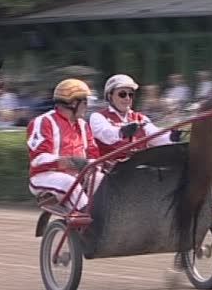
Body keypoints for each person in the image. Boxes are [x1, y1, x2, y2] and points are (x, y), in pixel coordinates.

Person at [26, 78, 104, 212]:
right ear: (73, 102)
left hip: (77, 176)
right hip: (45, 177)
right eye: (84, 101)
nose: (87, 106)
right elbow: (38, 159)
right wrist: (68, 162)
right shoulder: (44, 121)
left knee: (102, 179)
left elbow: (93, 154)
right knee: (69, 183)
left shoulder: (83, 125)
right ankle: (89, 220)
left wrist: (95, 165)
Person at [89, 74, 181, 161]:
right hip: (112, 170)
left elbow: (155, 136)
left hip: (139, 167)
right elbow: (106, 135)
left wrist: (171, 136)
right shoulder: (98, 116)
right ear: (110, 96)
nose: (127, 98)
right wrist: (122, 132)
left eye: (131, 94)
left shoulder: (140, 118)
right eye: (122, 94)